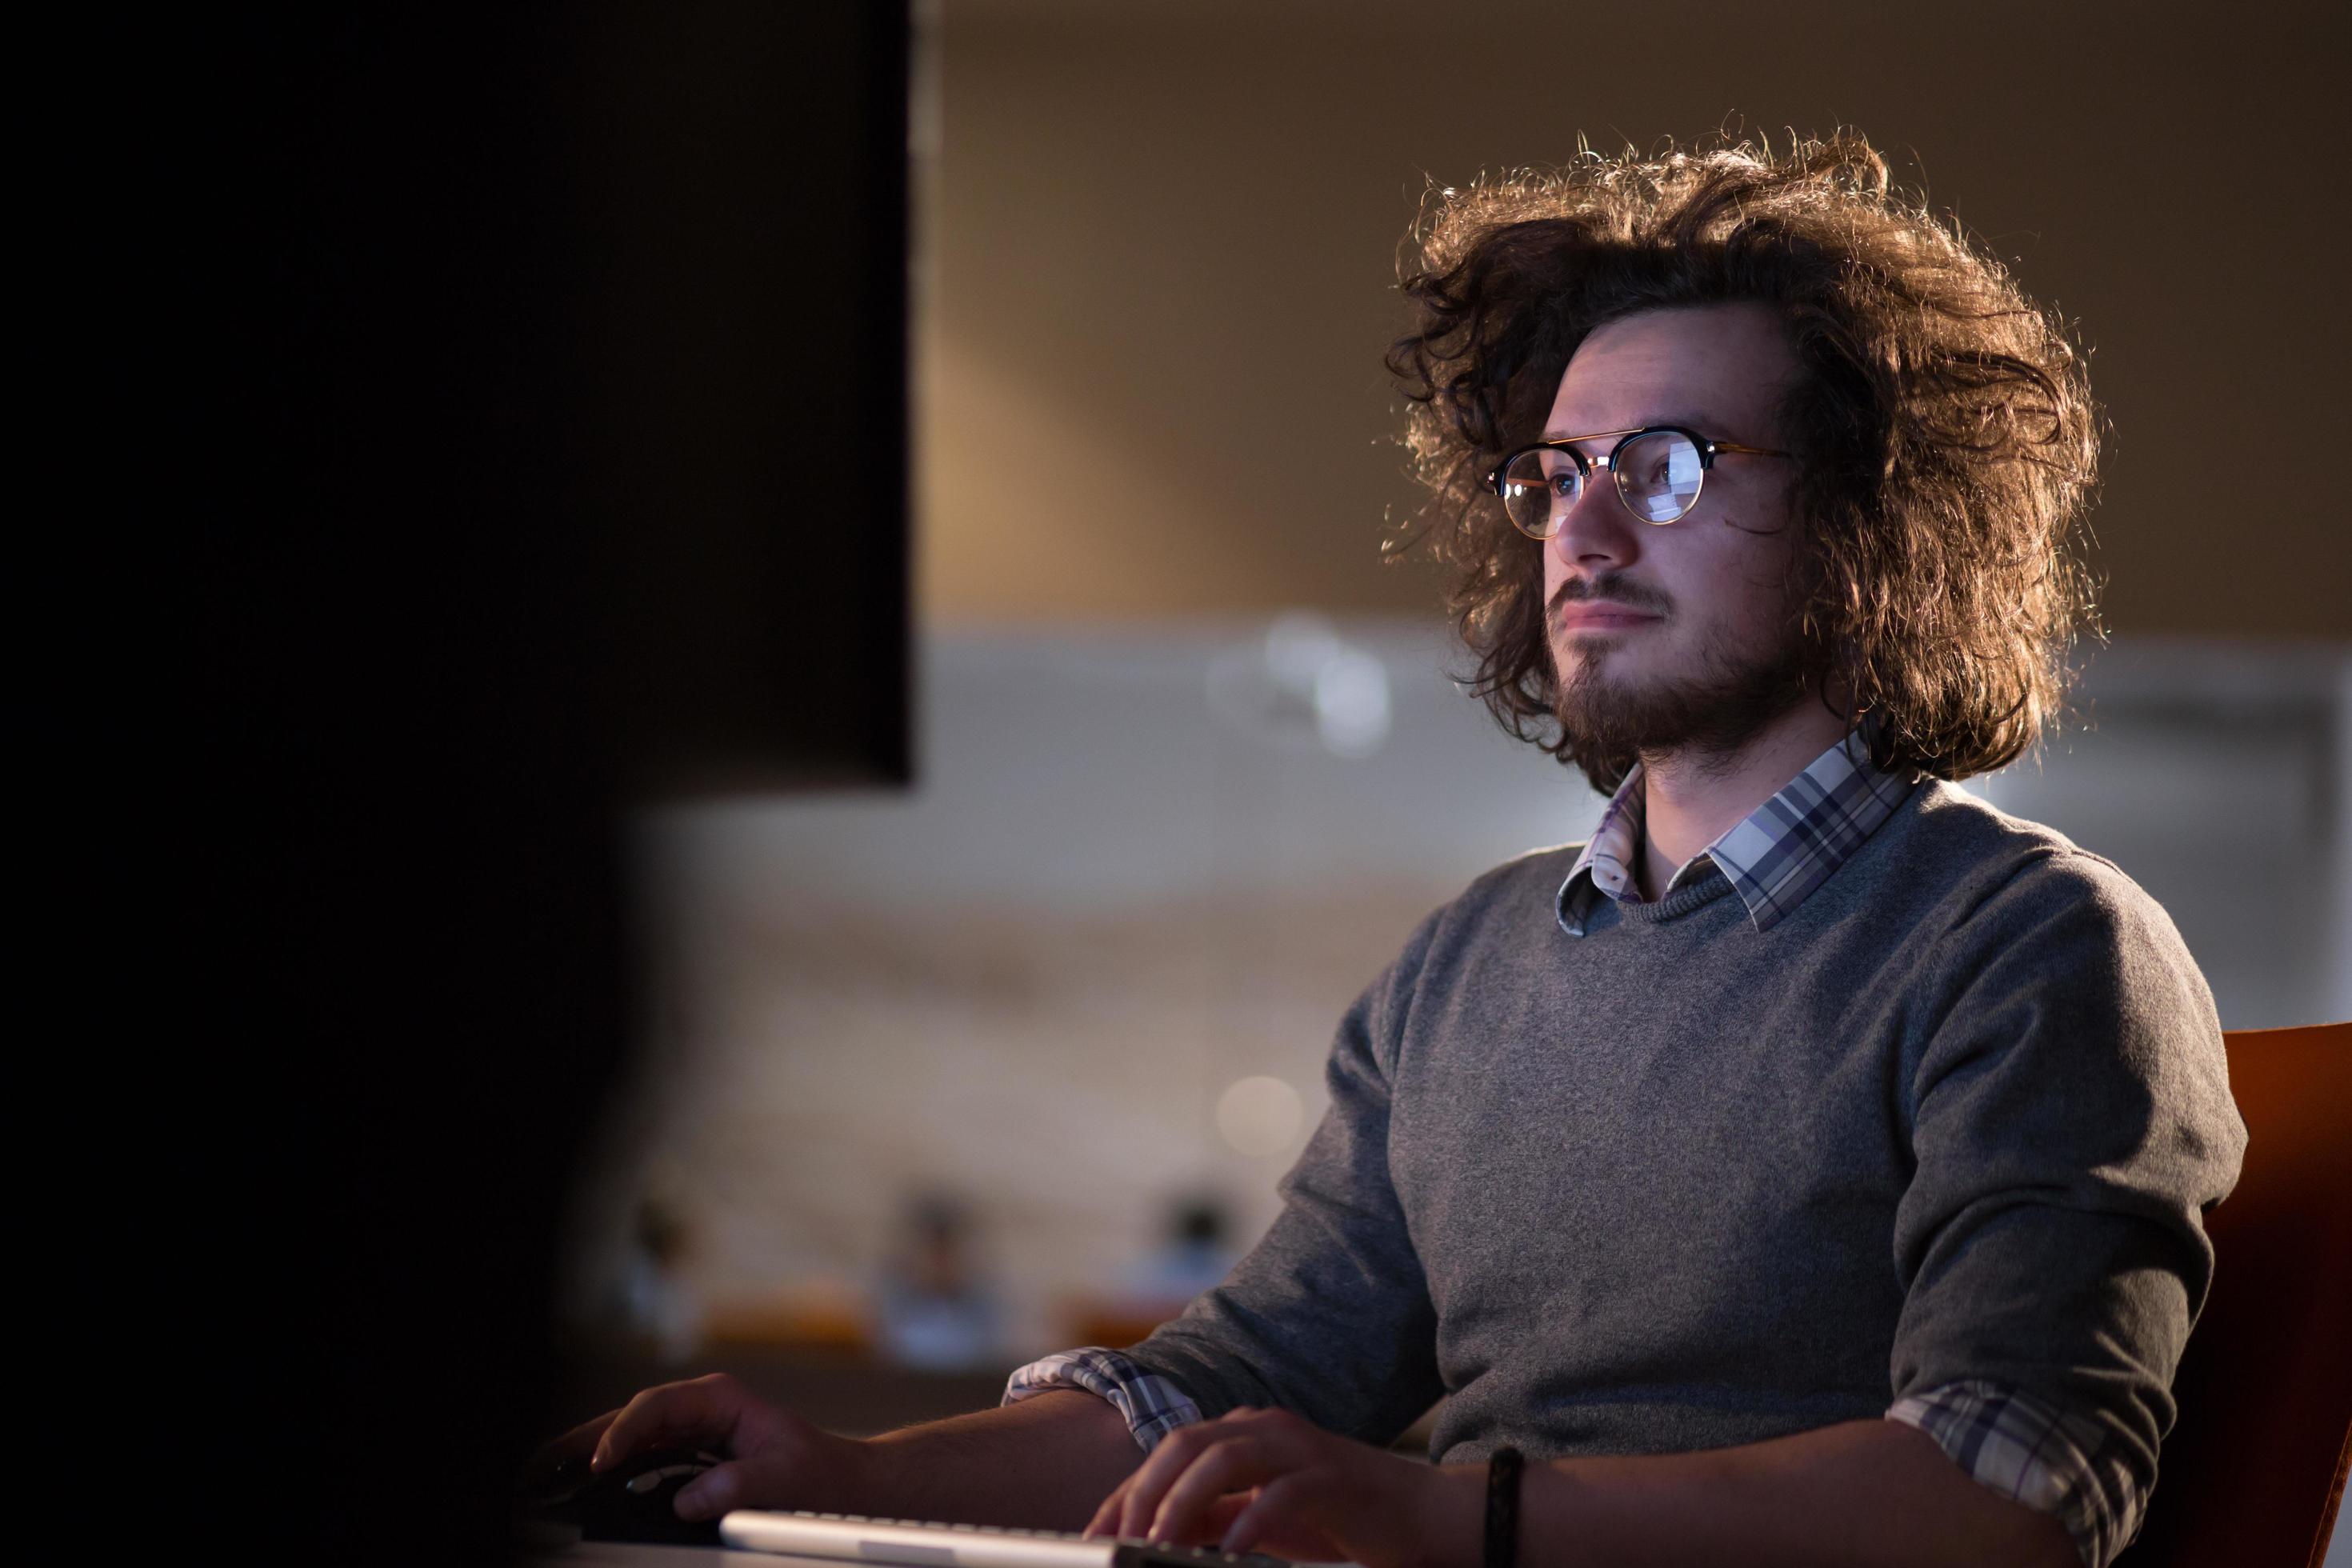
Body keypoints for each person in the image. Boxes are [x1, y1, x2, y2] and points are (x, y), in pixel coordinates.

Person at [554, 133, 2246, 1568]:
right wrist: (831, 1475)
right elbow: (1236, 1376)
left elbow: (2012, 1487)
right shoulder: (1470, 960)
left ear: (1874, 514)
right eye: (1553, 472)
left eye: (1666, 464)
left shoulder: (2036, 946)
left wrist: (1450, 1514)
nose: (1580, 525)